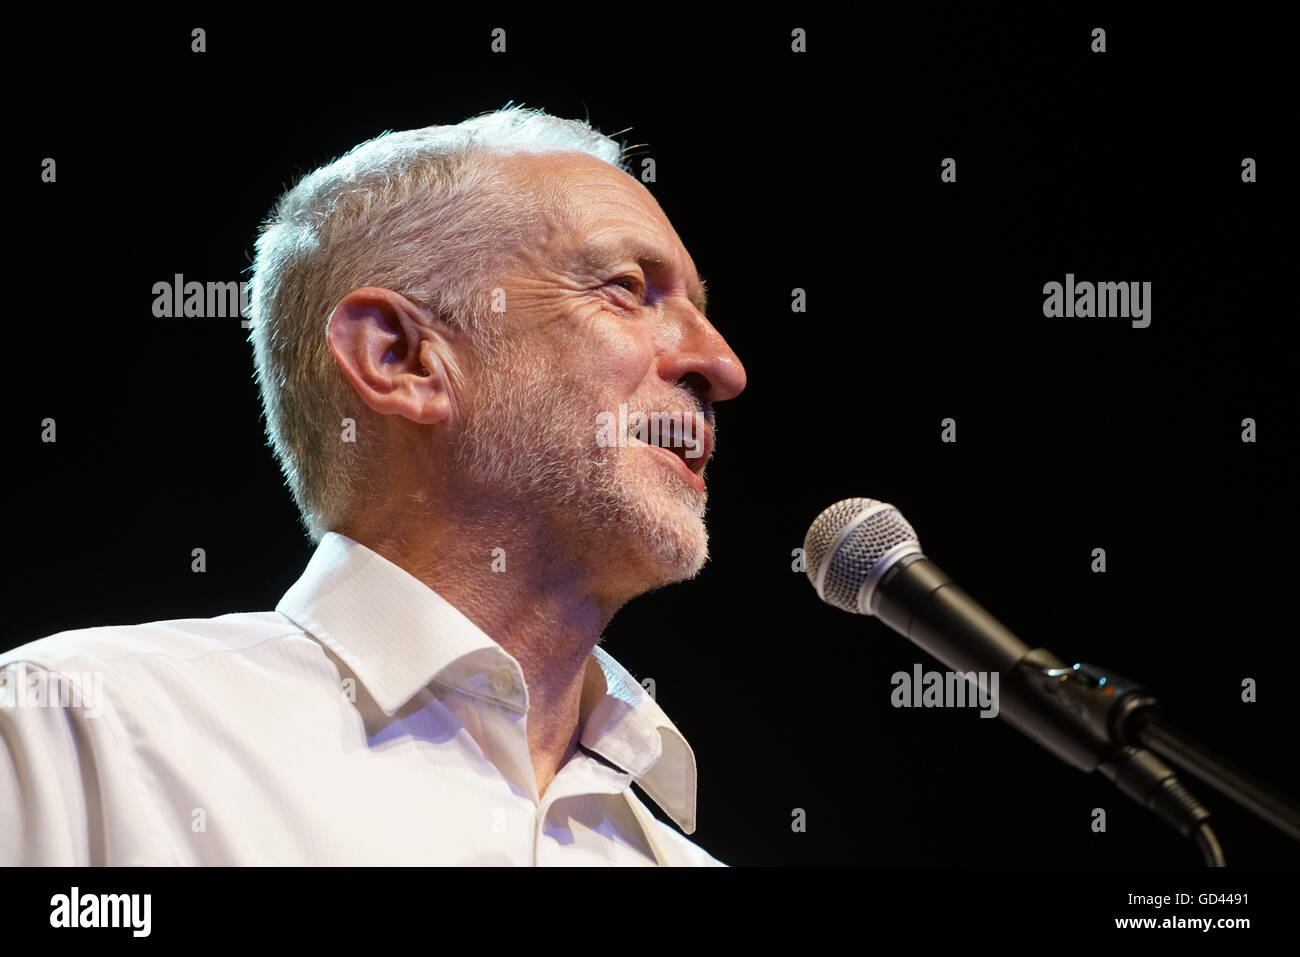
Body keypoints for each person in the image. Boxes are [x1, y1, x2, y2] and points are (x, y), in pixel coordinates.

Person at [0, 105, 747, 865]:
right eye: (627, 287)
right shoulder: (81, 737)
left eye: (700, 309)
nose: (722, 365)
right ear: (402, 358)